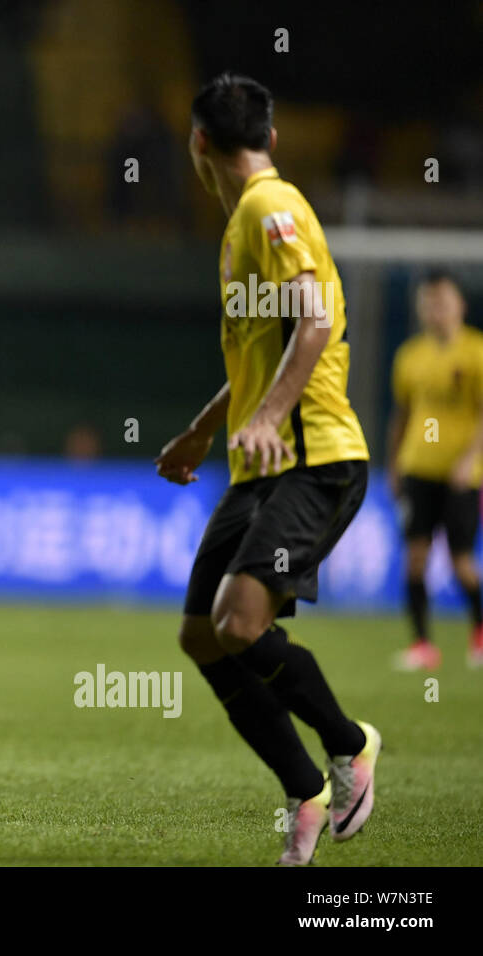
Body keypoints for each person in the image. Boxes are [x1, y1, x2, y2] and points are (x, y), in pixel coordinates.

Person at [155, 73, 381, 865]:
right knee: (202, 636)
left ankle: (350, 747)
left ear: (199, 145)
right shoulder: (243, 224)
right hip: (266, 464)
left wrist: (268, 415)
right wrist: (199, 431)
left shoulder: (269, 208)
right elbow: (266, 348)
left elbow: (315, 321)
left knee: (240, 623)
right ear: (273, 137)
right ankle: (305, 791)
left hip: (315, 456)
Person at [388, 271, 483, 670]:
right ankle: (422, 645)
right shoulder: (410, 356)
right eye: (428, 303)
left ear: (460, 305)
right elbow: (404, 415)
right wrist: (394, 465)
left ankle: (479, 634)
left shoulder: (477, 352)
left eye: (442, 302)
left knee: (461, 561)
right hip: (418, 470)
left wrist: (470, 459)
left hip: (462, 475)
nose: (436, 310)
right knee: (415, 557)